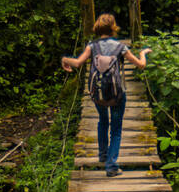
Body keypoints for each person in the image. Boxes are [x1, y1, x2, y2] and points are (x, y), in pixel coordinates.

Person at [61, 14, 150, 177]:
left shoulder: (92, 46)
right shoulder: (121, 47)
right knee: (116, 129)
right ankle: (111, 166)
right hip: (117, 94)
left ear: (98, 28)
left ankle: (103, 156)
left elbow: (78, 63)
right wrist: (143, 53)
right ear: (113, 28)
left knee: (103, 121)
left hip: (98, 93)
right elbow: (141, 65)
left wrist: (65, 59)